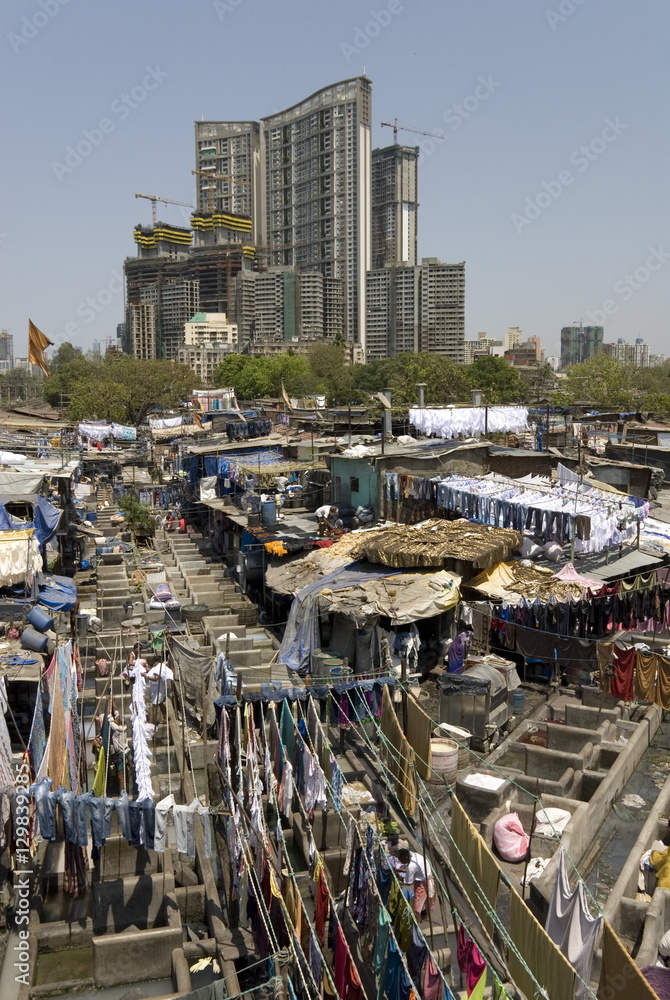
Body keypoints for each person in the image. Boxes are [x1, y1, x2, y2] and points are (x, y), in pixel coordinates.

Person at [391, 848, 433, 917]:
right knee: (424, 901)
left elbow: (408, 882)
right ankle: (424, 913)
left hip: (421, 884)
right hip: (428, 877)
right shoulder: (415, 855)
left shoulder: (411, 866)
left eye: (401, 860)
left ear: (405, 858)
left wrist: (398, 876)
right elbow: (415, 870)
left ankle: (417, 922)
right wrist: (400, 870)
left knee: (417, 907)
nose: (401, 862)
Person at [145, 658, 174, 725]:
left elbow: (156, 678)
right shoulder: (161, 667)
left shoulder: (158, 668)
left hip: (157, 689)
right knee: (160, 704)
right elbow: (153, 671)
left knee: (154, 707)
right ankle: (165, 718)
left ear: (156, 662)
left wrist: (146, 676)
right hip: (158, 688)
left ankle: (153, 722)